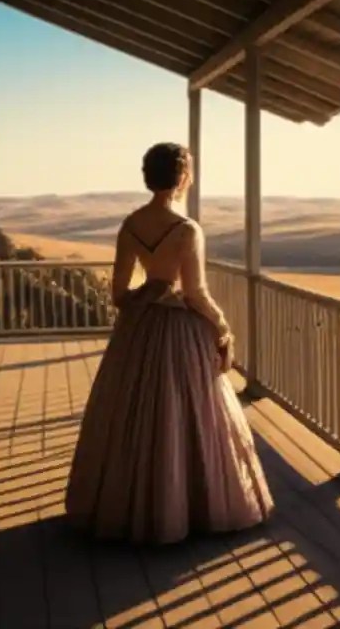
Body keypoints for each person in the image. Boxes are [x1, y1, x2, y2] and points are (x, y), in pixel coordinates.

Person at [65, 142, 273, 543]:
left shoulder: (131, 225)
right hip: (181, 334)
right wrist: (223, 326)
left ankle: (132, 505)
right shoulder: (187, 229)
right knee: (188, 412)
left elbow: (120, 294)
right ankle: (186, 506)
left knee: (134, 415)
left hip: (138, 332)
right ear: (182, 177)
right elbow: (196, 293)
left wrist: (151, 296)